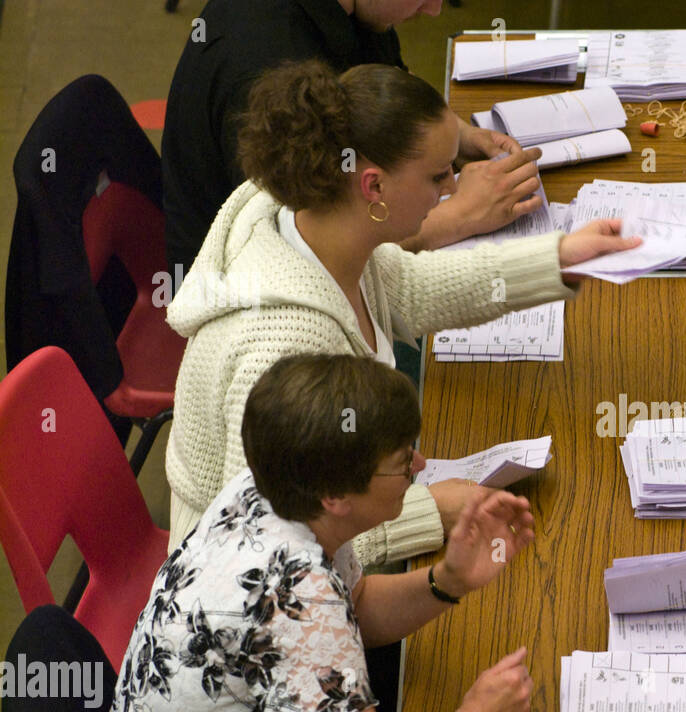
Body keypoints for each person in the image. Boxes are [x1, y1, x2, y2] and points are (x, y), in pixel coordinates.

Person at [165, 60, 638, 566]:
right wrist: (431, 511)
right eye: (438, 175)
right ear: (373, 187)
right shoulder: (282, 349)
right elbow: (269, 551)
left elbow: (411, 288)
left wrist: (558, 258)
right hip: (238, 593)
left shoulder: (321, 223)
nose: (453, 188)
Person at [92, 354, 536, 712]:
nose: (420, 465)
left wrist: (447, 580)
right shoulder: (297, 598)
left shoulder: (269, 489)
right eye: (401, 460)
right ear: (336, 498)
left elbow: (356, 608)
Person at [163, 0, 541, 274]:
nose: (434, 10)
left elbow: (387, 90)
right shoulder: (268, 67)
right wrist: (458, 215)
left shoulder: (354, 12)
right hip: (249, 297)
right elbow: (307, 258)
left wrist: (454, 137)